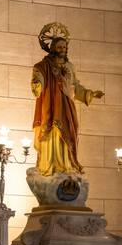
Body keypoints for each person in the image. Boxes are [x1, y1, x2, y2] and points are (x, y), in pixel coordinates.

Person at [30, 22, 103, 176]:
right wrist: (37, 83)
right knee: (52, 133)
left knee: (69, 132)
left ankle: (66, 165)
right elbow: (39, 81)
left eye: (64, 47)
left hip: (67, 107)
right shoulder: (43, 66)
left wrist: (90, 94)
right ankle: (49, 167)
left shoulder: (70, 67)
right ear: (53, 48)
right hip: (50, 107)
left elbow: (75, 87)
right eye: (59, 47)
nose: (62, 50)